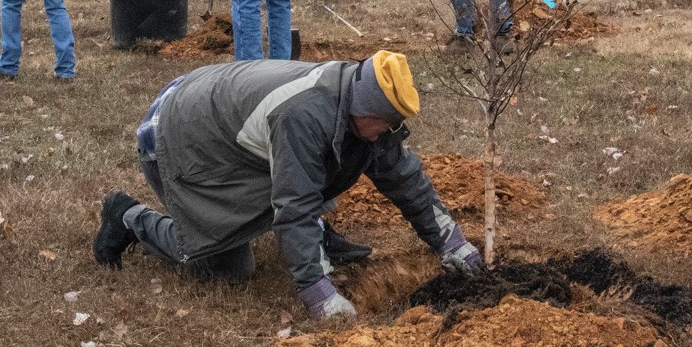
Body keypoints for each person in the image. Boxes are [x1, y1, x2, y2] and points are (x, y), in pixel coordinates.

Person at [92, 51, 484, 322]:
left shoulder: (356, 99)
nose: (393, 132)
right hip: (180, 137)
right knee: (224, 264)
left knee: (335, 157)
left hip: (225, 122)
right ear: (365, 110)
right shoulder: (304, 115)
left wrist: (452, 242)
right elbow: (293, 203)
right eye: (388, 123)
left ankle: (317, 239)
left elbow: (404, 179)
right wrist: (319, 292)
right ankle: (129, 218)